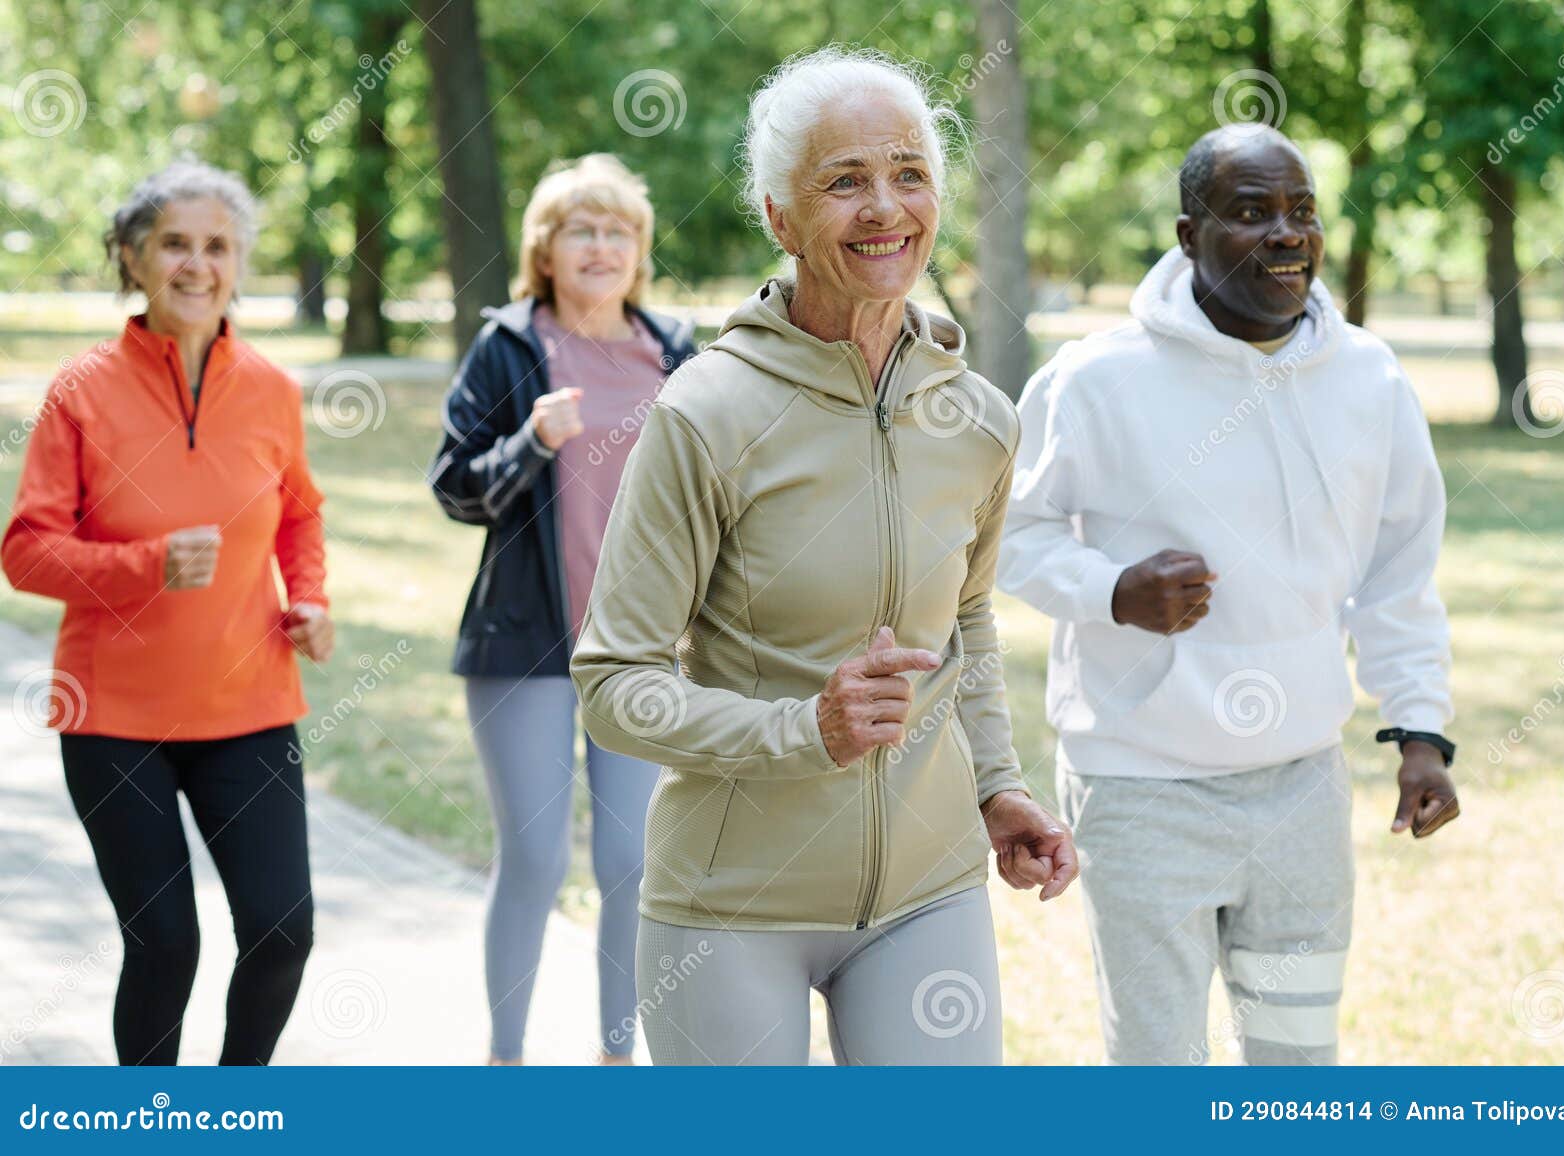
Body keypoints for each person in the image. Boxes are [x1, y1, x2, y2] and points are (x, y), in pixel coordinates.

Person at [570, 47, 1076, 1067]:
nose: (884, 206)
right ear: (778, 216)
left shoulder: (977, 419)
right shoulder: (706, 413)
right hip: (730, 902)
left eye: (908, 174)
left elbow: (963, 623)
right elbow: (613, 683)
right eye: (844, 181)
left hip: (926, 895)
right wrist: (806, 729)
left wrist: (995, 787)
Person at [998, 124, 1461, 1065]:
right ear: (1187, 236)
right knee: (1159, 1071)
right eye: (1252, 213)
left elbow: (1400, 567)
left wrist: (1420, 731)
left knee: (1295, 1064)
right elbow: (1004, 533)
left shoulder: (1368, 378)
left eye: (1302, 213)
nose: (1288, 234)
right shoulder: (1094, 380)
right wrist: (1112, 590)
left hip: (1301, 784)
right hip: (1140, 783)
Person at [2, 159, 333, 1065]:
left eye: (218, 246)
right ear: (132, 258)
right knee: (167, 944)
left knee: (282, 930)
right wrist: (147, 564)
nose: (198, 264)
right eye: (175, 244)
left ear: (239, 264)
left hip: (250, 708)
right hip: (113, 718)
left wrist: (308, 598)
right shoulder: (81, 391)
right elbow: (25, 550)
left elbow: (299, 510)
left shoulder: (272, 389)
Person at [428, 154, 697, 1065]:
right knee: (535, 861)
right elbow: (455, 488)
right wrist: (531, 442)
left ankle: (617, 1061)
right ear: (545, 250)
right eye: (582, 228)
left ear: (640, 251)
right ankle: (506, 1062)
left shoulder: (675, 352)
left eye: (619, 230)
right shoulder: (507, 347)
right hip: (525, 648)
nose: (602, 245)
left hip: (643, 652)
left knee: (632, 868)